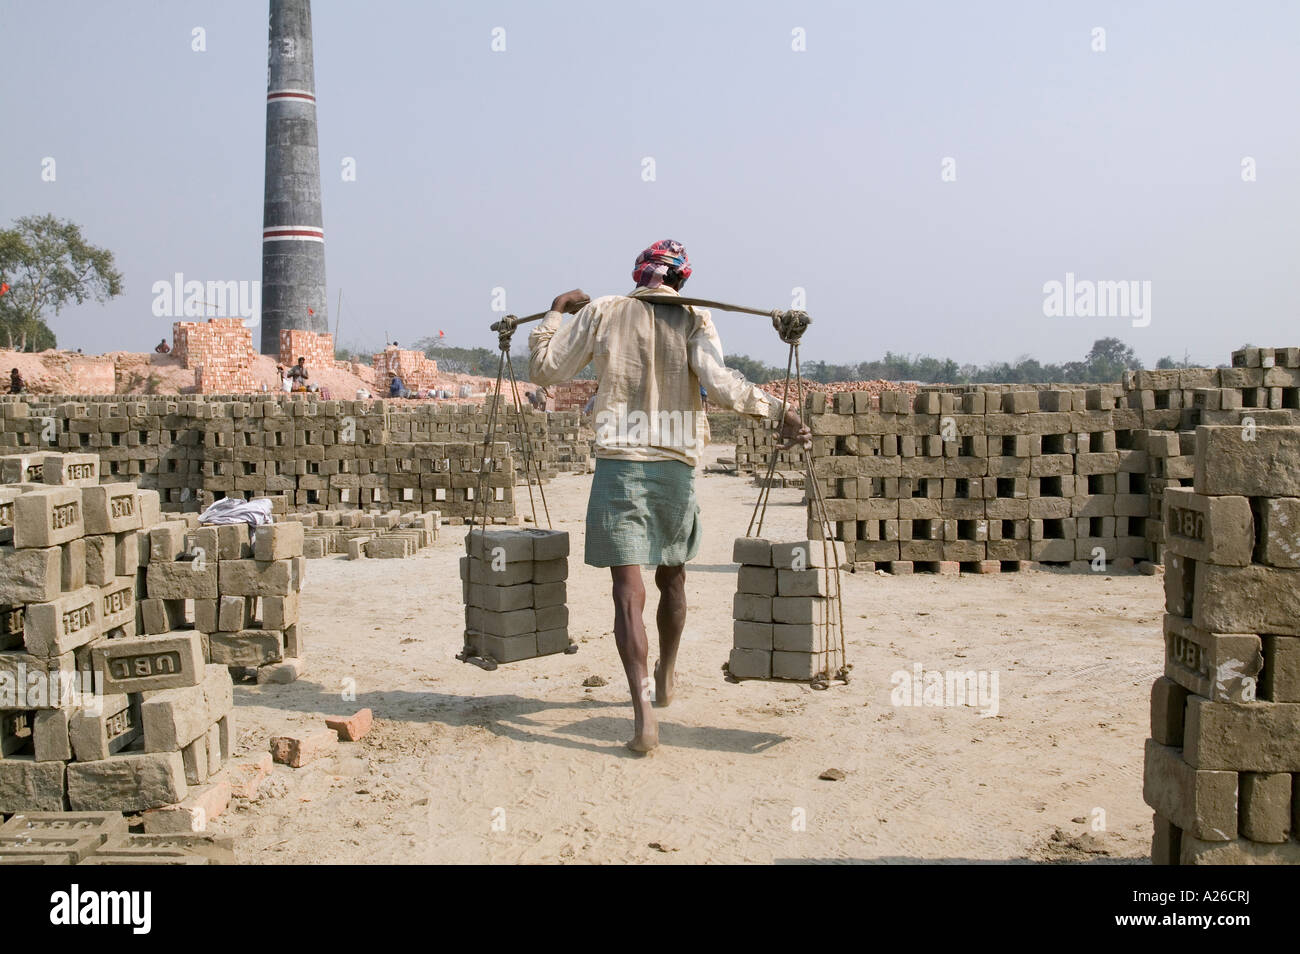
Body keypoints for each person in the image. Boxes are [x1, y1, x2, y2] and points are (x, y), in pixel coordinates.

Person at [529, 239, 811, 753]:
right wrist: (779, 410)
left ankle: (642, 717)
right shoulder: (694, 317)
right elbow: (722, 385)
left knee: (626, 595)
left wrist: (554, 313)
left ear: (638, 277)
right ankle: (667, 674)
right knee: (673, 577)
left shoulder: (602, 312)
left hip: (620, 465)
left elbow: (546, 370)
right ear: (680, 281)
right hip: (676, 467)